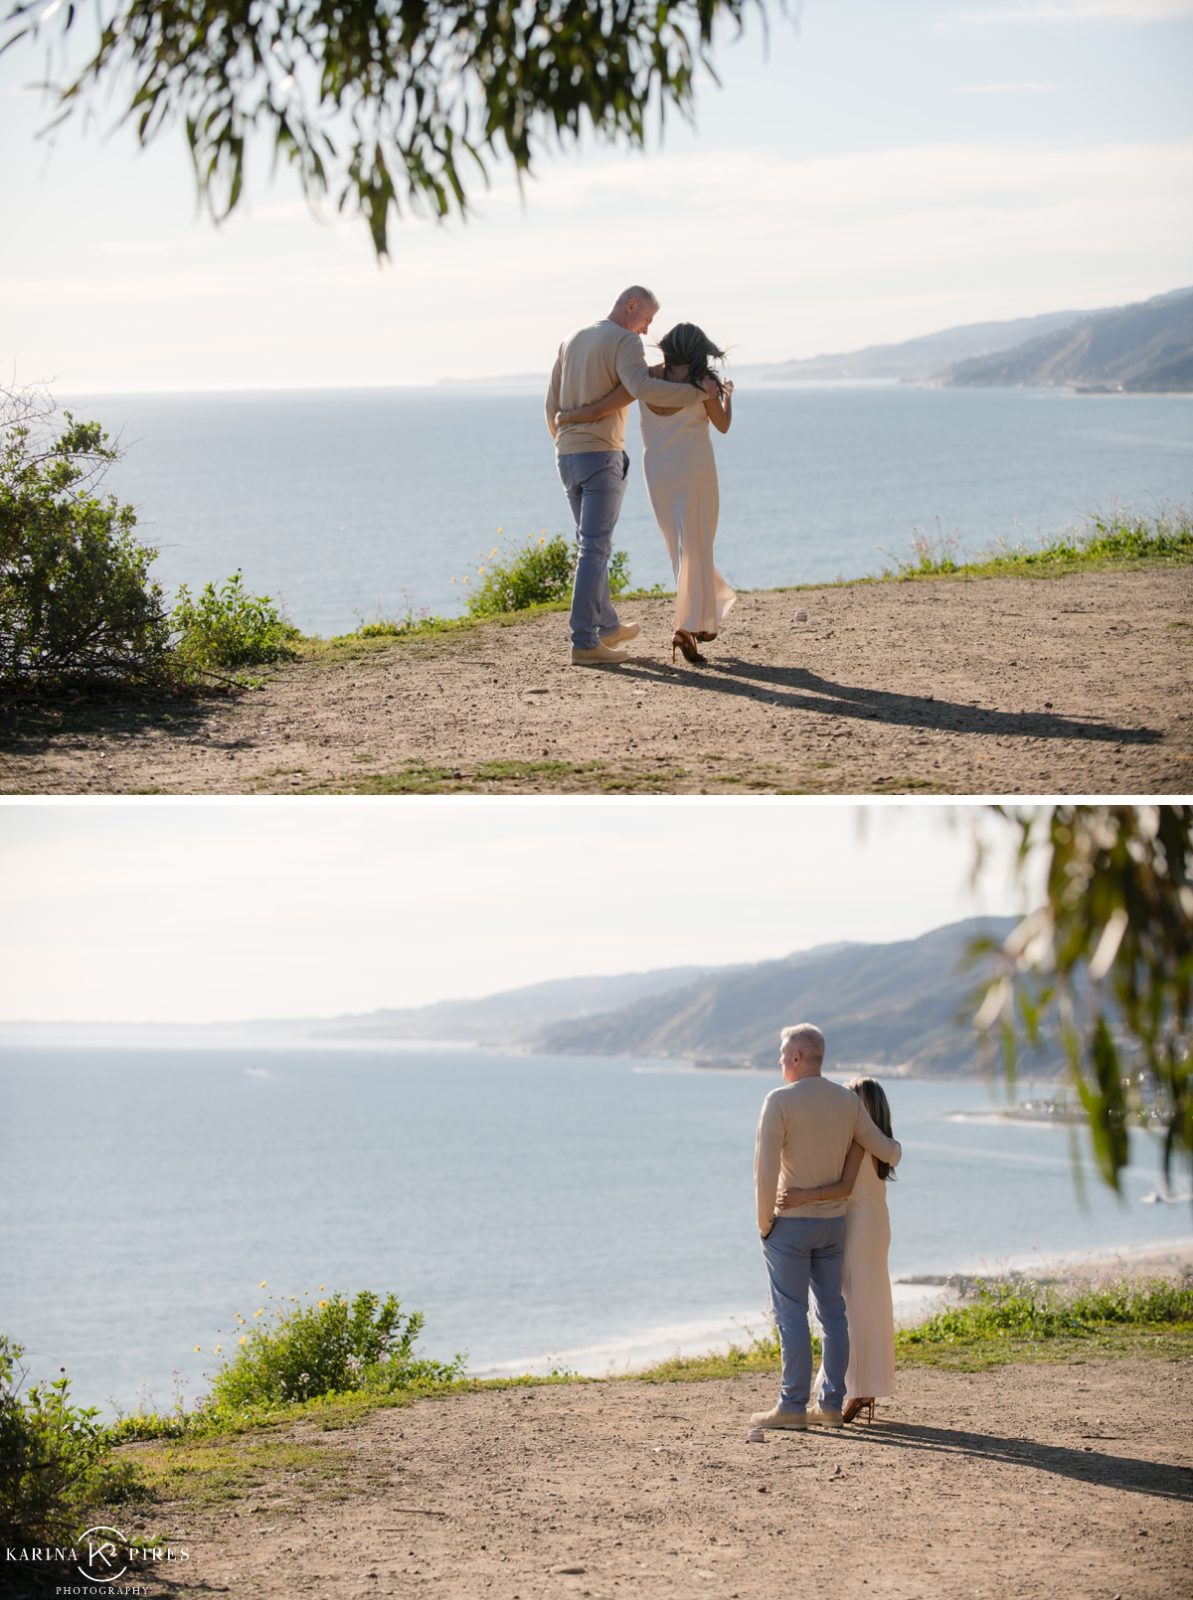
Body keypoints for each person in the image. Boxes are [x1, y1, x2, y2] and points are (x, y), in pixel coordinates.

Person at [545, 288, 710, 667]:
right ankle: (584, 641)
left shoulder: (571, 339)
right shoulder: (622, 340)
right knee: (594, 548)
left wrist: (566, 444)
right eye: (646, 320)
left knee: (589, 545)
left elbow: (551, 405)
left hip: (567, 456)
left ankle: (607, 626)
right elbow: (642, 388)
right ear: (631, 306)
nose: (645, 330)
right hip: (600, 453)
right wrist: (694, 393)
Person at [751, 1025, 902, 1431]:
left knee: (793, 1316)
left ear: (798, 1057)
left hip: (797, 1224)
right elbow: (889, 1150)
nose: (781, 1062)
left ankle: (792, 1405)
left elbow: (765, 1171)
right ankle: (833, 1403)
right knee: (836, 1314)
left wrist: (765, 1223)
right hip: (836, 1225)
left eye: (784, 1055)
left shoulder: (779, 1100)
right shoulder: (846, 1103)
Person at [777, 1077, 898, 1425]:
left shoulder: (858, 1140)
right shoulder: (882, 1145)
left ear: (862, 1107)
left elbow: (842, 1187)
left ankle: (855, 1388)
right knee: (870, 1306)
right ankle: (861, 1386)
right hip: (877, 1226)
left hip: (857, 1229)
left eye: (849, 1100)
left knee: (851, 1309)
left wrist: (801, 1195)